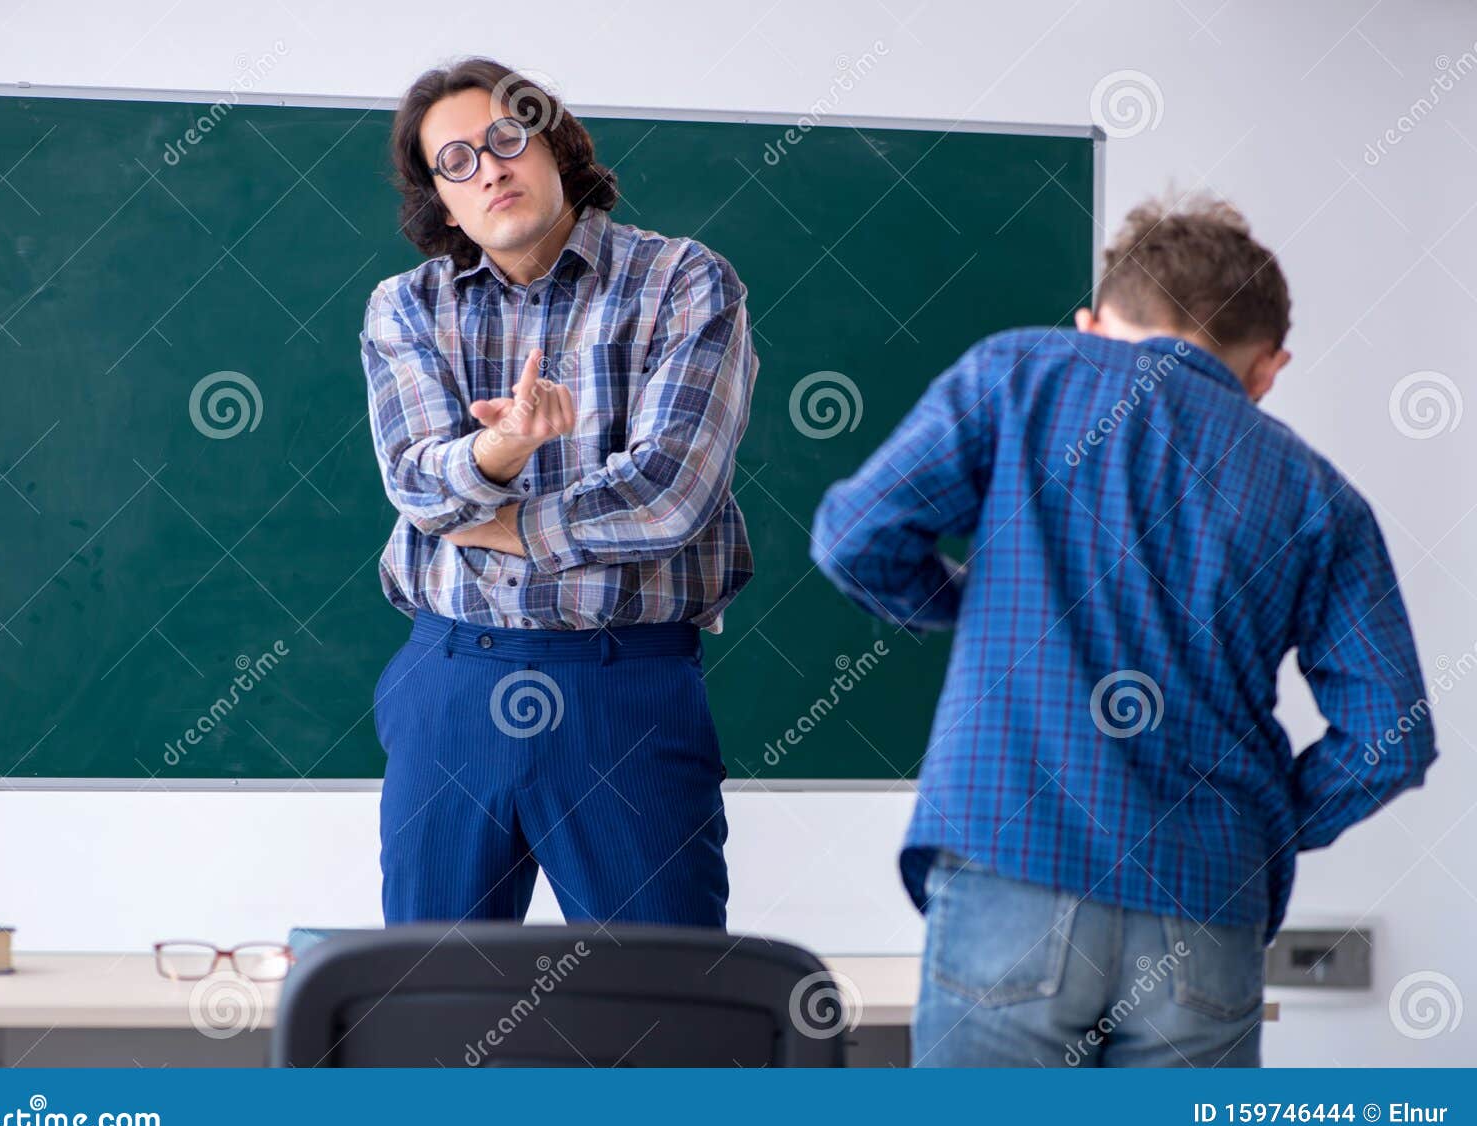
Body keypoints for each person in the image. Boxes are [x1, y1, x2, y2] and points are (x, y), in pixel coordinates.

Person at [811, 195, 1436, 1067]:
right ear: (1268, 368)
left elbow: (856, 538)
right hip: (1206, 905)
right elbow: (1389, 740)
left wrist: (968, 602)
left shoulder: (1020, 374)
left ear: (1096, 324)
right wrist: (1262, 830)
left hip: (1013, 865)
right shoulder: (1317, 496)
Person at [362, 57, 757, 928]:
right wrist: (501, 447)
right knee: (429, 1017)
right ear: (440, 197)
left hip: (624, 691)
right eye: (456, 160)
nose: (490, 168)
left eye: (508, 138)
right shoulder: (406, 309)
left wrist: (507, 523)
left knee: (661, 1024)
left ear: (554, 145)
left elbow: (670, 495)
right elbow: (417, 484)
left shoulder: (685, 282)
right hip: (450, 685)